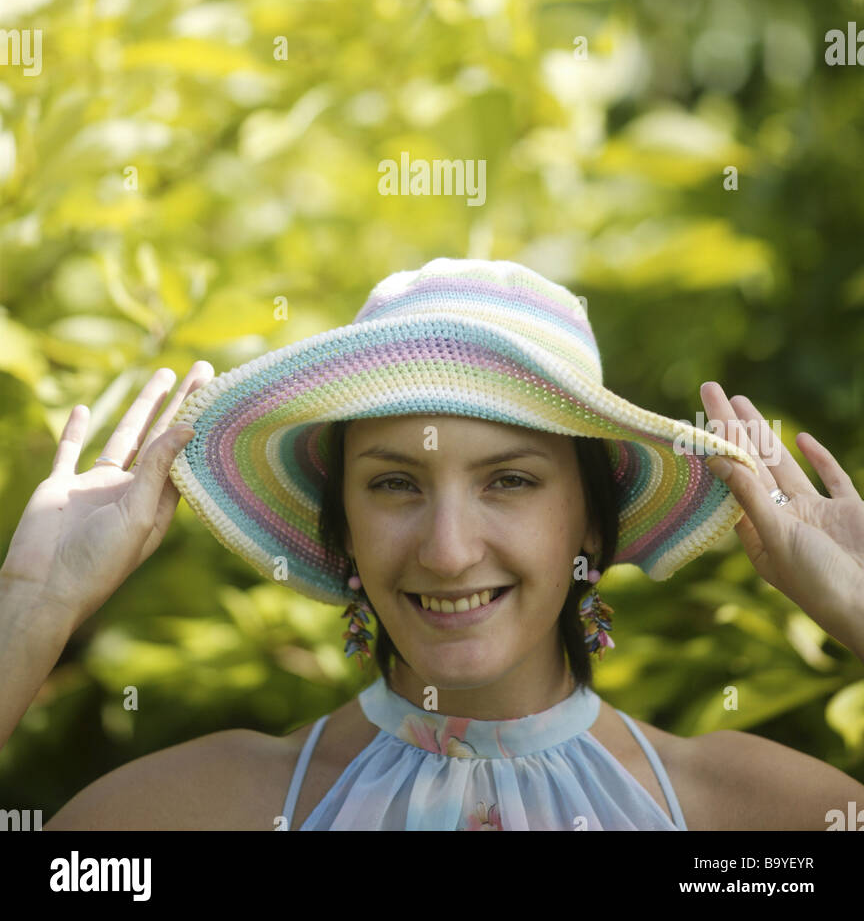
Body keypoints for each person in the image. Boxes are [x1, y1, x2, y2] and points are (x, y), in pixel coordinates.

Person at [1, 258, 862, 831]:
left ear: (592, 521)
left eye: (510, 481)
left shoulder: (746, 819)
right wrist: (33, 612)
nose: (448, 551)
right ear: (339, 522)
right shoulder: (206, 811)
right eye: (394, 484)